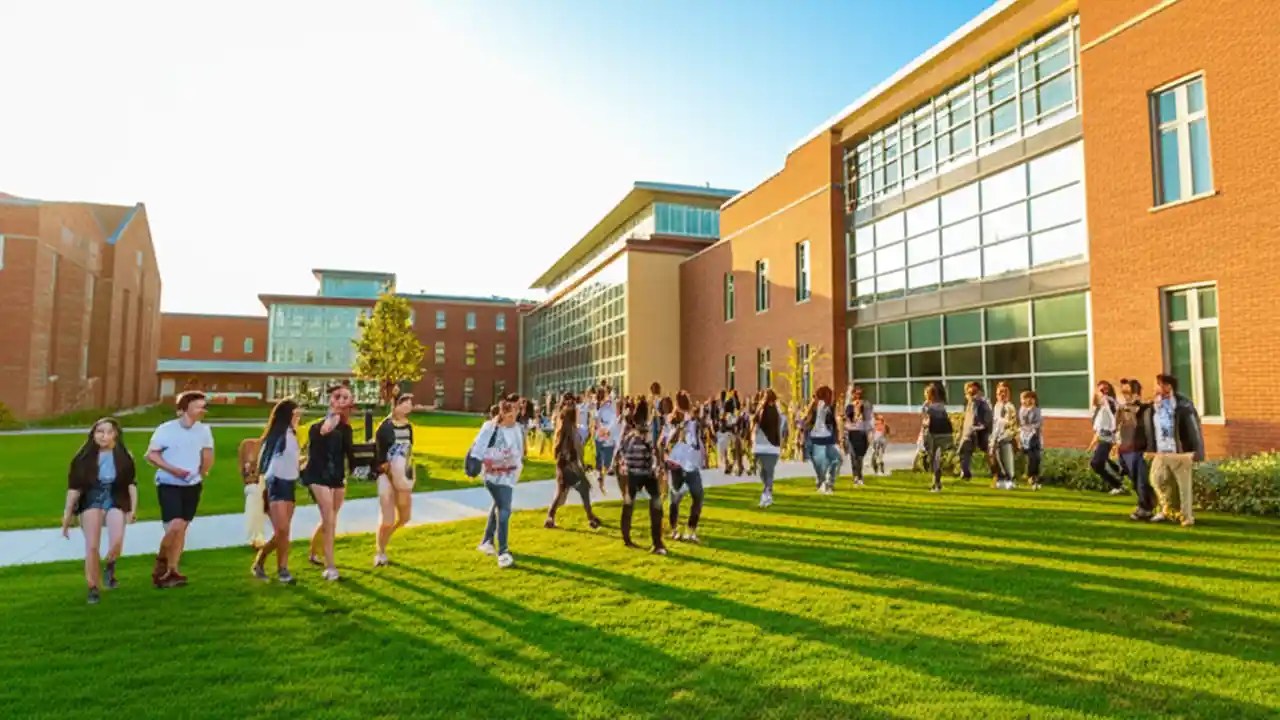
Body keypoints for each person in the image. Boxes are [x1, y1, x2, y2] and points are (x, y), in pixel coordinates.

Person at [63, 418, 137, 604]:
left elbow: (130, 484)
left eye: (109, 432)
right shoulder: (82, 458)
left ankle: (110, 565)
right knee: (92, 546)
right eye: (100, 432)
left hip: (115, 497)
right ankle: (93, 587)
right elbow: (74, 488)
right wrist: (67, 516)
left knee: (117, 541)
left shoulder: (124, 456)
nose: (104, 436)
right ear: (93, 434)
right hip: (91, 498)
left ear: (116, 435)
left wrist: (132, 509)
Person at [146, 391, 214, 589]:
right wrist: (174, 470)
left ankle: (173, 570)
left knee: (182, 529)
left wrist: (203, 471)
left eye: (203, 406)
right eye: (199, 406)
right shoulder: (166, 430)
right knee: (174, 526)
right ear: (185, 408)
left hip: (192, 485)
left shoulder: (203, 430)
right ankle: (161, 561)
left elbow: (207, 453)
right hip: (169, 483)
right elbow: (151, 455)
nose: (203, 410)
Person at [302, 384, 355, 581]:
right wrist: (333, 415)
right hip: (317, 476)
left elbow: (350, 455)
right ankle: (330, 567)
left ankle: (313, 552)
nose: (342, 400)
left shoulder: (346, 428)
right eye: (338, 396)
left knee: (330, 519)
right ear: (331, 400)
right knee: (330, 520)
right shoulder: (317, 427)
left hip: (337, 478)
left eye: (346, 397)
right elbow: (325, 430)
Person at [250, 398, 303, 583]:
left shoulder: (293, 434)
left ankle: (278, 568)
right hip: (276, 483)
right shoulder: (276, 436)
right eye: (296, 412)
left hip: (289, 484)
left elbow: (292, 460)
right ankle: (269, 565)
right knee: (282, 529)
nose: (299, 415)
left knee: (284, 532)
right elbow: (265, 463)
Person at [470, 395, 525, 568]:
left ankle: (487, 541)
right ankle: (503, 552)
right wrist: (491, 462)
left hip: (509, 475)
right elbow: (477, 451)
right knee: (504, 510)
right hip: (493, 477)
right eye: (509, 416)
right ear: (502, 415)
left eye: (515, 415)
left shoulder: (516, 428)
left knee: (499, 506)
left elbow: (519, 451)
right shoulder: (489, 428)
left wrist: (514, 465)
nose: (512, 420)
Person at [1144, 374, 1204, 526]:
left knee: (1183, 487)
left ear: (1167, 386)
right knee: (1157, 479)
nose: (1155, 388)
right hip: (1161, 451)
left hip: (1180, 452)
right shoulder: (1154, 406)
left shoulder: (1183, 405)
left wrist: (1197, 451)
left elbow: (1194, 429)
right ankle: (1167, 510)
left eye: (1157, 385)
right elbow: (1151, 427)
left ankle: (1186, 517)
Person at [612, 399, 667, 554]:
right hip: (643, 473)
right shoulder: (643, 432)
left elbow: (620, 451)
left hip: (634, 473)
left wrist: (623, 465)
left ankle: (627, 537)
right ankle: (656, 542)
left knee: (629, 502)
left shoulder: (630, 432)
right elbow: (652, 450)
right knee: (654, 502)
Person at [373, 392, 416, 568]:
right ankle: (380, 552)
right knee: (388, 519)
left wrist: (407, 476)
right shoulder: (385, 427)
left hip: (403, 478)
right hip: (386, 477)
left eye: (410, 403)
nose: (408, 406)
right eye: (403, 403)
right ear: (395, 405)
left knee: (405, 517)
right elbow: (380, 459)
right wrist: (393, 478)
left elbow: (409, 453)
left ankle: (384, 539)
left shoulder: (409, 427)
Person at [545, 402, 601, 530]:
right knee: (583, 489)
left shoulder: (562, 430)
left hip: (563, 467)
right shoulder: (570, 431)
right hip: (569, 468)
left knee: (562, 493)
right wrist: (578, 466)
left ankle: (550, 517)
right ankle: (590, 517)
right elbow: (572, 451)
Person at [666, 392, 705, 543]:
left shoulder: (677, 419)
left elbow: (665, 442)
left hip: (677, 464)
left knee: (675, 499)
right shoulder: (686, 420)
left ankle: (675, 530)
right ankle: (690, 531)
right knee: (697, 497)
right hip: (688, 465)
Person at [1117, 379, 1156, 520]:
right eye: (1123, 392)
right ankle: (1145, 505)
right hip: (1125, 450)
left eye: (1127, 392)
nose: (1124, 396)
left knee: (1141, 481)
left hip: (1138, 449)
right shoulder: (1122, 409)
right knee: (1135, 481)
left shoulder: (1144, 410)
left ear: (1135, 393)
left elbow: (1148, 428)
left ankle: (1145, 508)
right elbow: (1118, 428)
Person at [1088, 380, 1125, 495]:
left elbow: (1116, 415)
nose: (1103, 392)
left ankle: (1119, 484)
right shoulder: (1097, 408)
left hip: (1108, 437)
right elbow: (1098, 427)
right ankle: (1120, 480)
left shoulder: (1109, 402)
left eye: (1106, 389)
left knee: (1096, 463)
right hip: (1102, 436)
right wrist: (1093, 442)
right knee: (1103, 462)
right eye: (1101, 389)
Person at [806, 386, 840, 494]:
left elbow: (807, 416)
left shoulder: (819, 406)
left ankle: (823, 482)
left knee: (823, 461)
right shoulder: (823, 406)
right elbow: (808, 417)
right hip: (822, 436)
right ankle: (826, 483)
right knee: (834, 460)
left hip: (817, 436)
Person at [752, 390, 783, 508]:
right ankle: (767, 493)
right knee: (769, 472)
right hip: (771, 446)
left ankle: (766, 494)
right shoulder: (774, 411)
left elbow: (754, 425)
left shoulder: (762, 410)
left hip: (762, 445)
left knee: (763, 472)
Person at [920, 383, 953, 492]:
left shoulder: (928, 407)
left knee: (934, 459)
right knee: (937, 459)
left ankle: (936, 483)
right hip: (945, 433)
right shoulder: (942, 405)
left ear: (930, 395)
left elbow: (926, 421)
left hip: (933, 434)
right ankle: (937, 483)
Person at [957, 382, 991, 482]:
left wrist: (980, 427)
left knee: (989, 452)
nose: (972, 395)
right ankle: (965, 473)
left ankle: (997, 473)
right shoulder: (968, 404)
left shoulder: (981, 404)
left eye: (974, 392)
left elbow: (987, 418)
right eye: (970, 393)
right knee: (964, 451)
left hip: (979, 433)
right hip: (969, 433)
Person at [989, 382, 1019, 490]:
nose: (1002, 395)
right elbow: (995, 424)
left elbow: (1008, 422)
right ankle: (1001, 479)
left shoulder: (1009, 407)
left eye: (1005, 392)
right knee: (997, 459)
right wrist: (993, 438)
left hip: (1006, 437)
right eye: (1000, 392)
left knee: (1007, 458)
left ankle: (1010, 479)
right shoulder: (997, 406)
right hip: (997, 436)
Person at [843, 386, 874, 486]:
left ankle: (859, 475)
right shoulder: (849, 407)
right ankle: (856, 476)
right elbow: (847, 420)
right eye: (856, 394)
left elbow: (869, 419)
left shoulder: (866, 406)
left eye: (860, 394)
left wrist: (870, 432)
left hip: (862, 432)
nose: (858, 396)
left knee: (860, 456)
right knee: (853, 455)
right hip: (852, 432)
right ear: (853, 395)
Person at [592, 388, 620, 493]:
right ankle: (601, 477)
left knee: (600, 459)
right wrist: (605, 430)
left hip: (601, 435)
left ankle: (600, 477)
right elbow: (613, 420)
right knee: (605, 461)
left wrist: (600, 430)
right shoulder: (605, 407)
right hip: (605, 436)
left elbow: (596, 422)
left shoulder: (600, 407)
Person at [1018, 391, 1044, 490]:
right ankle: (1028, 475)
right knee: (1028, 457)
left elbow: (1039, 423)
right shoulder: (1022, 410)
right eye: (1025, 398)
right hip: (1025, 436)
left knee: (1036, 457)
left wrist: (1032, 408)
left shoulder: (1037, 410)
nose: (1027, 400)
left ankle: (1033, 477)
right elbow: (1023, 422)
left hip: (1035, 436)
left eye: (1030, 398)